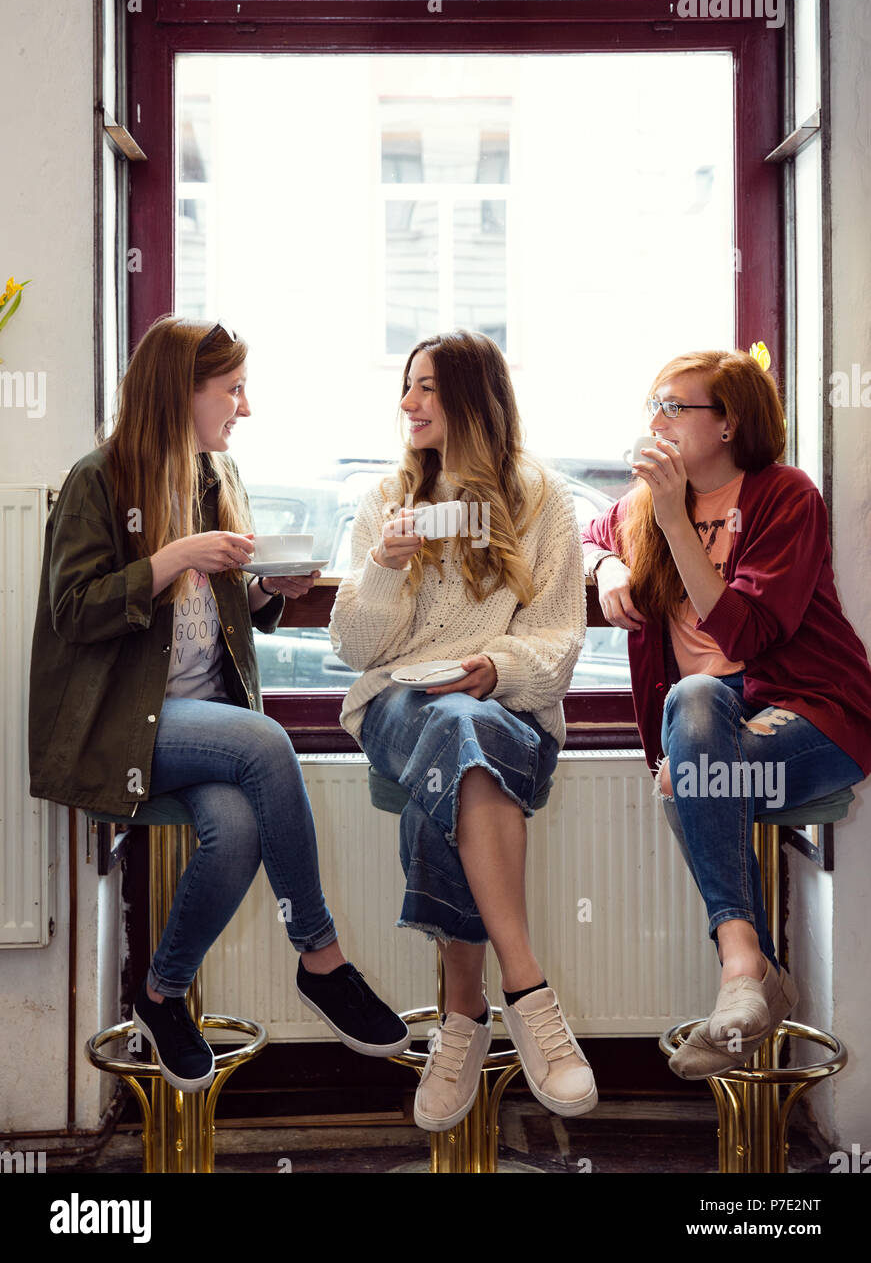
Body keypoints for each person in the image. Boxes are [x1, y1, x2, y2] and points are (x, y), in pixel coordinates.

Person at [28, 314, 409, 1095]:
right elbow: (74, 610)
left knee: (234, 827)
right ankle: (320, 956)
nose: (245, 405)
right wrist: (175, 556)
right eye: (232, 389)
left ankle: (161, 994)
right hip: (120, 727)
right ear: (181, 393)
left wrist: (267, 589)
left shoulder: (216, 477)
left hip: (202, 724)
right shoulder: (96, 481)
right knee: (266, 743)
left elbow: (225, 610)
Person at [329, 328, 596, 1131]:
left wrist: (497, 668)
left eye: (426, 388)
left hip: (504, 711)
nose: (406, 403)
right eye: (406, 387)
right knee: (449, 727)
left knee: (451, 760)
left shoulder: (542, 499)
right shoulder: (386, 501)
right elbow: (352, 649)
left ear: (474, 400)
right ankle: (528, 989)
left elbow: (557, 641)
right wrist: (382, 562)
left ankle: (464, 1015)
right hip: (397, 704)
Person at [582, 349, 871, 1078]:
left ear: (728, 423)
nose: (657, 421)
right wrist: (607, 564)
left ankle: (751, 977)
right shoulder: (639, 509)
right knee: (698, 700)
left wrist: (677, 522)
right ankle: (745, 967)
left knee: (695, 749)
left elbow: (742, 634)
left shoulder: (784, 497)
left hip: (815, 717)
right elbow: (585, 533)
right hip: (708, 727)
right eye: (653, 404)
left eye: (675, 406)